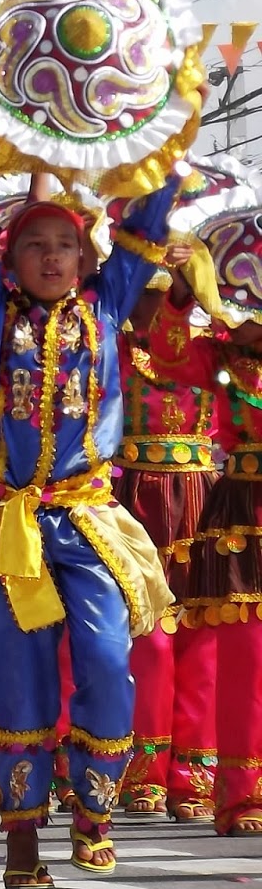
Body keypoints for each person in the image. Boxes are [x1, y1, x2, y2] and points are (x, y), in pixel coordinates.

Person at [0, 110, 180, 887]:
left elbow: (147, 222)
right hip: (13, 524)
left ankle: (94, 816)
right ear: (10, 261)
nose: (52, 256)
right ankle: (21, 839)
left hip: (87, 521)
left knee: (108, 664)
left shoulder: (107, 306)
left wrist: (175, 131)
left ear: (85, 258)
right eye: (35, 245)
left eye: (66, 245)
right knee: (21, 680)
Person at [142, 257, 262, 835]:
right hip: (243, 512)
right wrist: (183, 293)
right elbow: (166, 352)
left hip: (223, 498)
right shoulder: (220, 359)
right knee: (244, 657)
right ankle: (241, 795)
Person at [114, 282, 218, 822]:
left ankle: (195, 774)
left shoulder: (213, 347)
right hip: (136, 501)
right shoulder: (114, 348)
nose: (156, 306)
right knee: (148, 640)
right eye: (147, 293)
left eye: (170, 295)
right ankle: (143, 769)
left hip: (203, 501)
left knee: (202, 638)